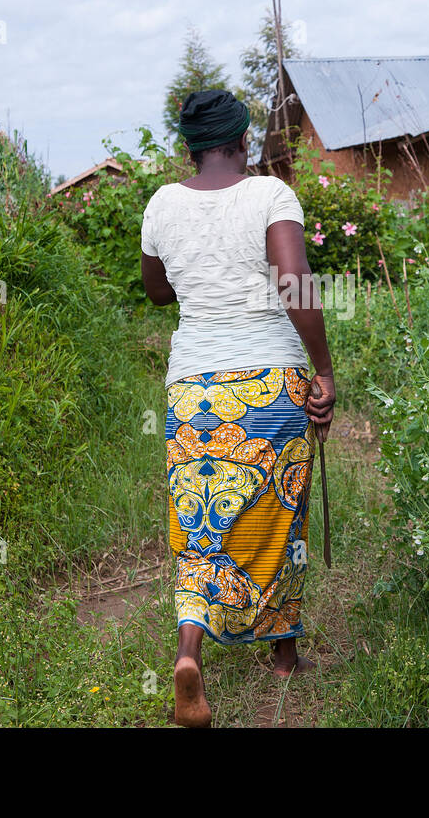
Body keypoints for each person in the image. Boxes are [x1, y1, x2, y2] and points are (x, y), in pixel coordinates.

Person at [140, 88, 336, 728]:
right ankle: (284, 657)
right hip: (269, 386)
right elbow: (294, 281)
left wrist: (198, 269)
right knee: (278, 515)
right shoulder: (270, 194)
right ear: (243, 139)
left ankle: (187, 653)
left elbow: (156, 291)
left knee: (201, 525)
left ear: (191, 146)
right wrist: (323, 369)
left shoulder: (162, 204)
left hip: (193, 390)